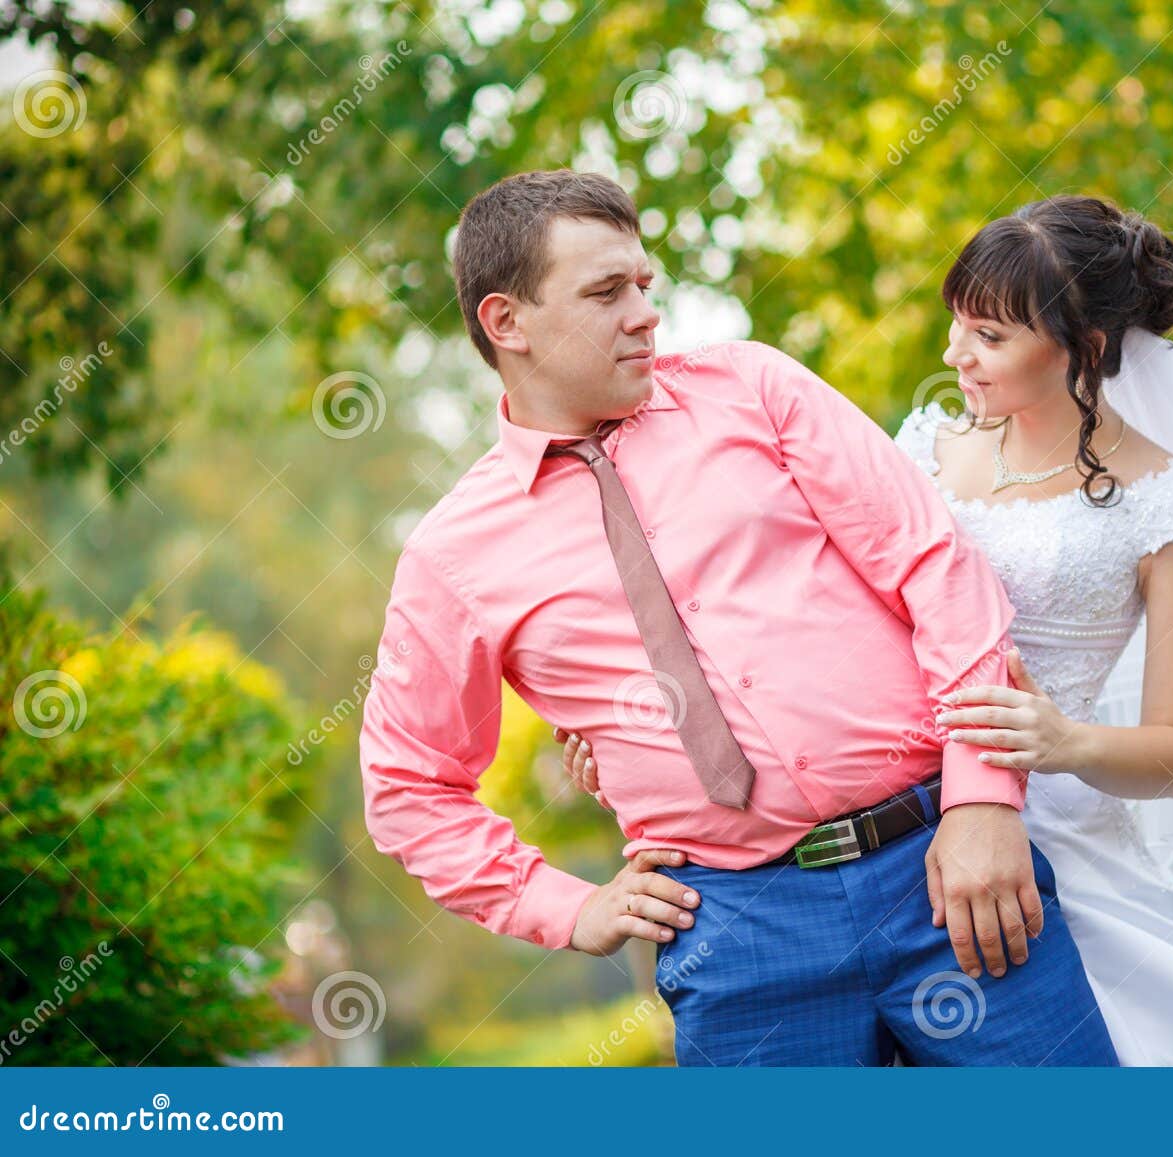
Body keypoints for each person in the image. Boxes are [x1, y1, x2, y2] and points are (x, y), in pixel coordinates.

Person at [563, 194, 1173, 1065]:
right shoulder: (922, 449)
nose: (956, 355)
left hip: (1061, 831)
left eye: (989, 337)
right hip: (900, 817)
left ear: (1084, 349)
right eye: (958, 326)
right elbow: (796, 620)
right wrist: (654, 735)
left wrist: (1062, 740)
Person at [357, 169, 1118, 1067]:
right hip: (737, 938)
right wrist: (564, 905)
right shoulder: (454, 555)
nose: (644, 313)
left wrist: (984, 799)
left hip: (947, 870)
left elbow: (936, 569)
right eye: (606, 292)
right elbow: (410, 787)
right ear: (505, 322)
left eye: (644, 284)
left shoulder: (754, 388)